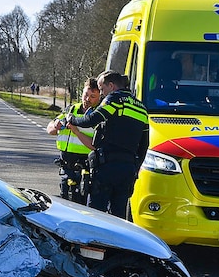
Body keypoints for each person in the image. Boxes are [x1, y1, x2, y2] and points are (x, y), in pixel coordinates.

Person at [56, 71, 149, 220]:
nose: (101, 93)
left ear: (111, 86)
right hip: (128, 170)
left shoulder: (114, 100)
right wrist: (135, 167)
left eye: (102, 88)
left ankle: (92, 243)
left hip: (107, 166)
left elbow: (92, 119)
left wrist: (72, 119)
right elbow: (144, 145)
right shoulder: (142, 108)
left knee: (96, 216)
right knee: (118, 216)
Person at [46, 78, 100, 204]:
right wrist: (56, 125)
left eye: (92, 96)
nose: (87, 99)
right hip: (66, 166)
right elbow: (49, 129)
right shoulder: (71, 110)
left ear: (99, 97)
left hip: (86, 167)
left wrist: (76, 132)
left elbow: (95, 145)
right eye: (86, 95)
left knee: (81, 203)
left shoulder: (98, 115)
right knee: (65, 200)